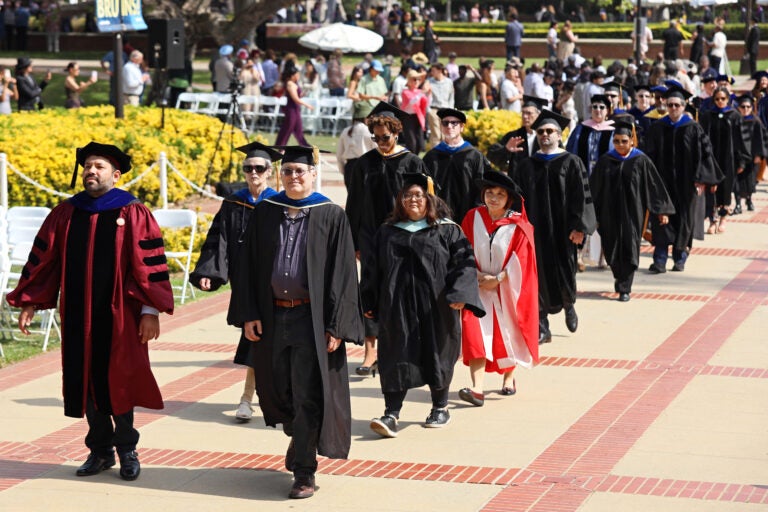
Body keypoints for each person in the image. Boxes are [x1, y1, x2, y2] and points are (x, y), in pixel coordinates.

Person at [7, 142, 175, 481]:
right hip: (77, 314)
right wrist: (30, 300)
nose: (91, 171)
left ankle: (127, 449)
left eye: (99, 166)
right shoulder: (66, 213)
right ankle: (99, 451)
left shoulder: (133, 212)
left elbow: (148, 266)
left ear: (116, 175)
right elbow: (45, 260)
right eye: (87, 166)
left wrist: (149, 311)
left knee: (120, 379)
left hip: (120, 315)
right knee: (84, 380)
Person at [233, 145, 364, 499]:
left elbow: (342, 274)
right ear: (280, 175)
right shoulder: (266, 212)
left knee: (307, 393)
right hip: (272, 315)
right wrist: (249, 314)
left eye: (300, 171)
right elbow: (247, 266)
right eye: (287, 171)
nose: (293, 177)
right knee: (277, 388)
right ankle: (298, 433)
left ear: (313, 175)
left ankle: (304, 471)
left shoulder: (330, 214)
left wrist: (336, 325)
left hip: (310, 317)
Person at [361, 173, 484, 437]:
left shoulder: (448, 230)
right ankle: (391, 413)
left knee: (437, 352)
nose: (412, 200)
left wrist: (460, 294)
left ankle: (440, 407)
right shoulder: (388, 231)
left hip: (436, 307)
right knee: (395, 354)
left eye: (418, 195)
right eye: (406, 195)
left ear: (430, 199)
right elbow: (373, 269)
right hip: (396, 306)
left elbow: (464, 264)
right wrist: (369, 300)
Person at [189, 142, 281, 423]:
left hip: (274, 283)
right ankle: (252, 399)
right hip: (245, 283)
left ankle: (251, 399)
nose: (253, 173)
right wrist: (209, 271)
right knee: (256, 337)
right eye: (248, 168)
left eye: (259, 168)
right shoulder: (233, 203)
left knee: (266, 340)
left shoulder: (279, 203)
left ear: (269, 171)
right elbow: (218, 240)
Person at [345, 104, 428, 373]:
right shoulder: (364, 163)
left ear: (396, 133)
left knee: (400, 291)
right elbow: (354, 203)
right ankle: (370, 353)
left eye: (385, 137)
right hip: (370, 236)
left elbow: (425, 203)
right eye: (376, 137)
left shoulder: (412, 163)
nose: (380, 142)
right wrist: (353, 241)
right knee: (369, 289)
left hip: (403, 236)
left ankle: (397, 350)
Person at [509, 110, 596, 344]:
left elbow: (582, 197)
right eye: (541, 131)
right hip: (535, 232)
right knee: (535, 277)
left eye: (550, 131)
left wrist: (580, 227)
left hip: (563, 230)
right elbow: (516, 198)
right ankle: (542, 326)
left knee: (565, 271)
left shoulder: (572, 162)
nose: (545, 135)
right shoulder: (527, 165)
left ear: (559, 135)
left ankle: (569, 304)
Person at [458, 171, 538, 404]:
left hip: (507, 289)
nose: (493, 198)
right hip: (477, 286)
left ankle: (509, 377)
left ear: (509, 199)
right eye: (489, 193)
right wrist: (476, 274)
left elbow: (522, 258)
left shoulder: (518, 224)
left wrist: (500, 278)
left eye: (500, 194)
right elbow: (461, 249)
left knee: (508, 332)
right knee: (475, 334)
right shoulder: (473, 217)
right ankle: (477, 388)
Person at [589, 120, 675, 302]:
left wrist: (662, 210)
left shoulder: (641, 160)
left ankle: (625, 287)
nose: (620, 145)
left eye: (624, 141)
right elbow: (594, 188)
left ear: (631, 141)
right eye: (616, 141)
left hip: (633, 213)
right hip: (608, 213)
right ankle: (619, 276)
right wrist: (590, 213)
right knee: (611, 247)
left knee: (630, 246)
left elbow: (654, 186)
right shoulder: (606, 160)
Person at [641, 84, 723, 273]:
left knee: (684, 220)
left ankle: (680, 257)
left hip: (686, 184)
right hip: (663, 183)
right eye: (670, 105)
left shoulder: (693, 128)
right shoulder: (657, 128)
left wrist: (701, 179)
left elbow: (705, 154)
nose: (673, 108)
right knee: (661, 218)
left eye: (677, 105)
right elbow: (649, 156)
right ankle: (660, 259)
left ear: (683, 106)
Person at [424, 108, 491, 223]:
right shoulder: (431, 156)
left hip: (468, 216)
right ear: (441, 127)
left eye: (454, 123)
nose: (449, 126)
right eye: (445, 123)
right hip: (438, 216)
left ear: (462, 127)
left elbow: (482, 188)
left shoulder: (474, 156)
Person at [698, 85, 749, 233]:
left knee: (726, 190)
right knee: (711, 190)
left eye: (723, 98)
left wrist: (741, 160)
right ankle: (712, 220)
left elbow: (741, 140)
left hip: (729, 159)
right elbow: (701, 138)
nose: (720, 101)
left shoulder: (734, 116)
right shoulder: (708, 116)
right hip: (712, 158)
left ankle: (723, 218)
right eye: (717, 99)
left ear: (728, 99)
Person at [493, 95, 548, 175]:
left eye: (529, 113)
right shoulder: (514, 136)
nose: (525, 116)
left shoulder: (547, 136)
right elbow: (494, 157)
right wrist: (506, 150)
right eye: (523, 113)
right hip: (517, 180)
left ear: (538, 115)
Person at [735, 94, 766, 212]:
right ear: (739, 108)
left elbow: (761, 139)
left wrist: (759, 154)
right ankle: (738, 203)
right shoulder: (735, 121)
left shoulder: (756, 122)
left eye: (748, 107)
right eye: (743, 107)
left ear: (752, 108)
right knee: (737, 181)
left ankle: (749, 200)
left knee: (750, 180)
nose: (745, 109)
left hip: (752, 156)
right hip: (738, 156)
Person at [274, 63, 313, 146]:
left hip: (296, 109)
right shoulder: (290, 84)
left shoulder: (295, 83)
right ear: (292, 75)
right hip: (291, 109)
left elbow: (298, 96)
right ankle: (280, 146)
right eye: (297, 74)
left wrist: (304, 93)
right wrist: (307, 105)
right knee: (287, 128)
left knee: (298, 129)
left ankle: (304, 145)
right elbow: (295, 99)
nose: (298, 76)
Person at [337, 115, 377, 191]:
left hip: (350, 167)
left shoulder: (345, 131)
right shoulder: (370, 131)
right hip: (366, 167)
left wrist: (343, 171)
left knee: (351, 196)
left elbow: (339, 155)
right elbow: (377, 151)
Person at [400, 68, 429, 153]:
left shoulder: (419, 91)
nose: (417, 81)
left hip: (418, 117)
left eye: (418, 79)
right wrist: (422, 92)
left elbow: (427, 103)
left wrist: (428, 93)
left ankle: (415, 157)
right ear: (409, 81)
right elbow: (412, 101)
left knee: (420, 142)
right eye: (414, 79)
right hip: (408, 118)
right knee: (411, 142)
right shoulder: (405, 92)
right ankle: (411, 157)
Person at [426, 63, 454, 149]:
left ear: (440, 71)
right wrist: (428, 110)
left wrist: (451, 110)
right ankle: (435, 154)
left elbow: (451, 97)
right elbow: (426, 96)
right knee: (436, 134)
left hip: (446, 110)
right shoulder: (429, 81)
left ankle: (445, 153)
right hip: (434, 109)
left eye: (433, 71)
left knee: (445, 134)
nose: (432, 73)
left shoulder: (449, 82)